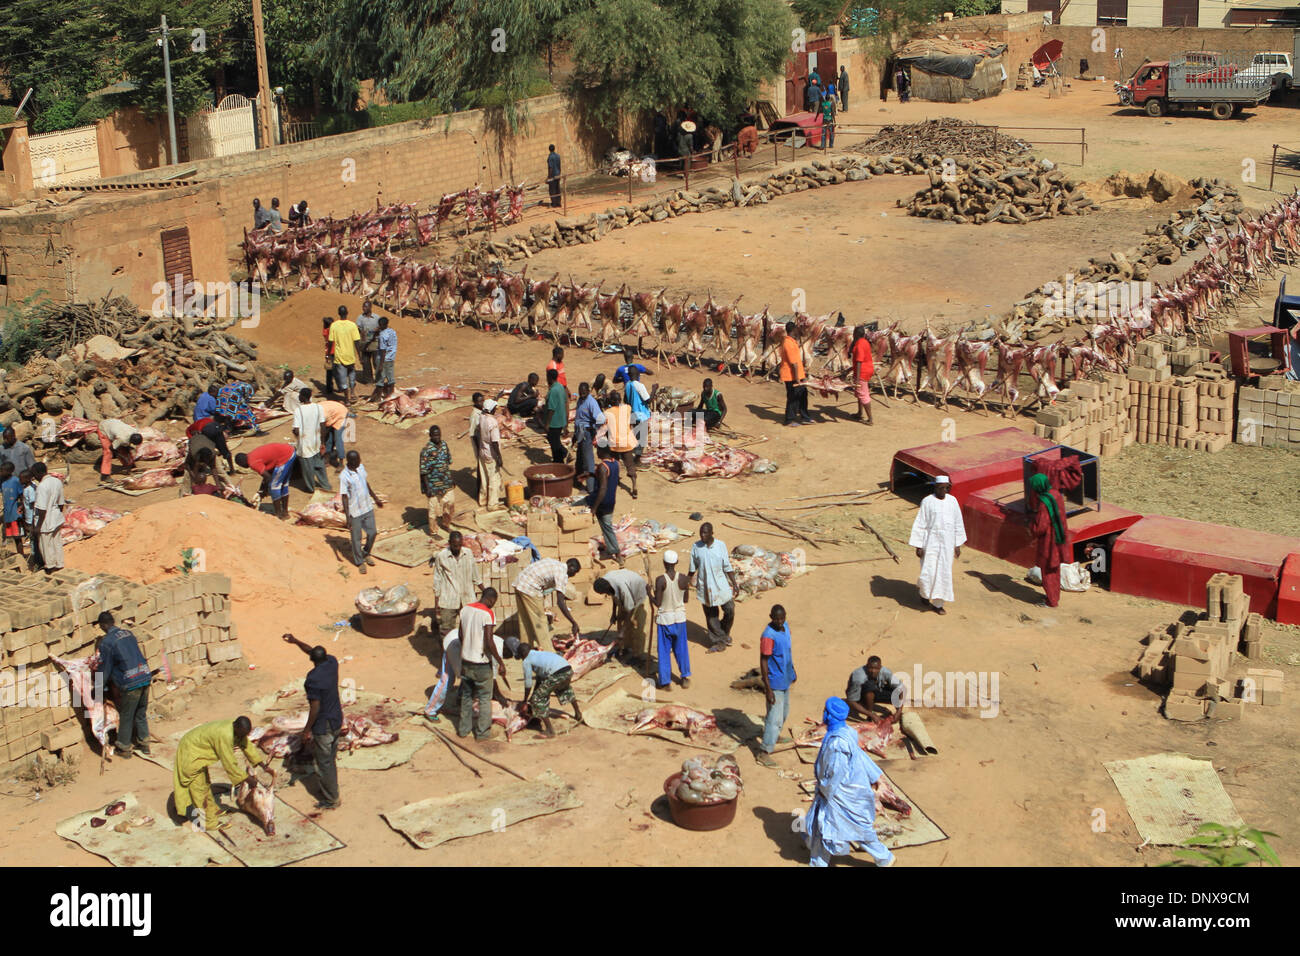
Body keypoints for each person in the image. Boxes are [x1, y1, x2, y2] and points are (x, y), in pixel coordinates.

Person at [803, 697, 895, 868]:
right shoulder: (846, 732)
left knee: (854, 829)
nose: (823, 713)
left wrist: (825, 790)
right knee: (824, 827)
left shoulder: (838, 743)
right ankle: (818, 862)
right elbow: (860, 757)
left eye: (826, 711)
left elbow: (836, 773)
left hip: (842, 793)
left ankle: (884, 858)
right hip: (843, 790)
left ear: (829, 716)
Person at [172, 717, 270, 832]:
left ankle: (212, 810)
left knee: (205, 784)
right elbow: (229, 764)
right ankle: (208, 823)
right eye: (241, 734)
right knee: (199, 790)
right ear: (236, 727)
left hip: (196, 747)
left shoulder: (235, 728)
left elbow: (245, 744)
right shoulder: (225, 736)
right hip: (191, 752)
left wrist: (261, 764)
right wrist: (248, 779)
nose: (241, 737)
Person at [282, 633, 342, 810]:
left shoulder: (313, 679)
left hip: (324, 725)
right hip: (337, 719)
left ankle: (332, 799)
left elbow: (315, 707)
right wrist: (296, 641)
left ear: (313, 660)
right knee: (330, 757)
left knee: (324, 763)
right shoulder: (332, 663)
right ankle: (332, 788)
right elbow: (311, 651)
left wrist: (306, 730)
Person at [97, 611, 152, 758]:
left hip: (130, 681)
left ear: (102, 625)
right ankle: (145, 743)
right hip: (145, 674)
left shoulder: (107, 643)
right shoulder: (128, 633)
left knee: (127, 715)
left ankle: (124, 747)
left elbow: (105, 667)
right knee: (140, 712)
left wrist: (99, 687)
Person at [908, 476, 966, 614]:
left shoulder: (952, 501)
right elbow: (920, 523)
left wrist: (957, 545)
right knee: (928, 571)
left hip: (947, 543)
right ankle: (924, 595)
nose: (943, 490)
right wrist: (918, 545)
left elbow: (958, 522)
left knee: (944, 573)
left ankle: (938, 604)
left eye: (946, 487)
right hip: (930, 542)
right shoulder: (927, 501)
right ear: (935, 487)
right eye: (940, 487)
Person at [425, 625, 508, 721]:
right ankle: (430, 710)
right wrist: (500, 697)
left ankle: (461, 697)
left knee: (469, 673)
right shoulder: (495, 651)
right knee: (447, 679)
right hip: (453, 645)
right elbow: (491, 679)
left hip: (464, 648)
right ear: (507, 650)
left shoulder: (500, 642)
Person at [458, 587, 508, 740]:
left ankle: (463, 730)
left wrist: (467, 649)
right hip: (481, 664)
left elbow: (461, 635)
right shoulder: (487, 613)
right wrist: (500, 662)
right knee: (485, 698)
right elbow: (489, 640)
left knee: (467, 696)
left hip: (466, 661)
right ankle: (482, 733)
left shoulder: (465, 609)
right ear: (492, 599)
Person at [514, 640, 581, 737]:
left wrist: (526, 700)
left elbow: (528, 684)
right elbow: (540, 681)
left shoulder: (526, 661)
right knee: (564, 689)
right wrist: (534, 694)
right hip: (568, 670)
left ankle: (550, 731)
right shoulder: (538, 654)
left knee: (537, 699)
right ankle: (578, 713)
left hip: (557, 674)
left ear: (522, 654)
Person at [513, 557, 582, 651]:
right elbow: (560, 602)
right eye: (575, 572)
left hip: (519, 582)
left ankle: (526, 649)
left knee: (525, 619)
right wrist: (573, 622)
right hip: (530, 587)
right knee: (541, 621)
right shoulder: (562, 573)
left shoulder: (554, 563)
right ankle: (549, 652)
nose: (573, 575)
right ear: (571, 567)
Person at [757, 604, 797, 766]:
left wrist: (792, 670)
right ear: (770, 617)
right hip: (774, 682)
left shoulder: (785, 627)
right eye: (777, 619)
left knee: (784, 712)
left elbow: (787, 651)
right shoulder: (768, 636)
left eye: (782, 618)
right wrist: (768, 688)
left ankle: (775, 735)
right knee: (774, 717)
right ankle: (764, 751)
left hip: (785, 677)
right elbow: (764, 661)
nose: (780, 621)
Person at [688, 522, 737, 653]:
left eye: (705, 533)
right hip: (706, 587)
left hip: (721, 586)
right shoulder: (696, 547)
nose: (702, 536)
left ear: (711, 533)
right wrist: (687, 581)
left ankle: (723, 633)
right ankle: (719, 640)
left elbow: (727, 566)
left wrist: (735, 583)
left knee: (730, 609)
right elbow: (692, 568)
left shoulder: (720, 546)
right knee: (711, 616)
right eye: (701, 533)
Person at [593, 568, 652, 669]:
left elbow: (630, 610)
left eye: (604, 593)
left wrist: (622, 631)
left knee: (636, 626)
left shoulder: (622, 588)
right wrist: (614, 614)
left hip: (639, 595)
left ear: (606, 588)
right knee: (621, 621)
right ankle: (625, 648)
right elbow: (614, 596)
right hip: (627, 593)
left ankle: (637, 655)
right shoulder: (606, 580)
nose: (605, 595)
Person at [650, 550, 691, 690]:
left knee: (664, 651)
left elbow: (658, 603)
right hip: (680, 618)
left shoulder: (660, 580)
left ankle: (665, 682)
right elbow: (685, 599)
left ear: (664, 563)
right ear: (676, 562)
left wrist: (648, 593)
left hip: (665, 620)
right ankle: (685, 677)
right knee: (681, 649)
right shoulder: (684, 579)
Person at [430, 530, 481, 640]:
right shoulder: (441, 556)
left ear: (462, 543)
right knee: (446, 630)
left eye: (459, 545)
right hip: (449, 599)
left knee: (470, 628)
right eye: (454, 545)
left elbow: (475, 575)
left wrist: (485, 589)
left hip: (468, 598)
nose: (457, 548)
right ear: (449, 543)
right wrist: (437, 603)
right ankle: (445, 654)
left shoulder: (468, 553)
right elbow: (437, 579)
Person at [1029, 472, 1070, 609]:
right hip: (1060, 538)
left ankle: (1051, 601)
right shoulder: (1056, 494)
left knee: (1048, 571)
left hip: (1049, 543)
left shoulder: (1043, 504)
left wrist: (1031, 525)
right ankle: (1054, 596)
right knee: (1055, 569)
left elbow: (1040, 527)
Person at [340, 450, 383, 574]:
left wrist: (375, 498)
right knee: (356, 538)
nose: (360, 461)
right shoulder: (344, 476)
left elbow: (366, 483)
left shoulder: (361, 467)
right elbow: (344, 496)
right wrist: (348, 517)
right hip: (355, 511)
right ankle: (359, 561)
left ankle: (366, 552)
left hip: (367, 507)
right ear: (351, 461)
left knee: (373, 532)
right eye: (358, 459)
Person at [235, 442, 297, 520]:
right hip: (290, 451)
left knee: (274, 486)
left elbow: (268, 477)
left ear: (242, 463)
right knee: (284, 484)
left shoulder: (252, 463)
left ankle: (279, 514)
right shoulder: (252, 455)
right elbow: (267, 474)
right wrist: (262, 489)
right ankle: (285, 512)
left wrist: (264, 491)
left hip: (284, 457)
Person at [586, 441, 623, 567]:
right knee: (607, 528)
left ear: (602, 452)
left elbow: (602, 489)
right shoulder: (616, 464)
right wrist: (591, 475)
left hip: (599, 501)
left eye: (598, 450)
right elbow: (608, 479)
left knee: (576, 507)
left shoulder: (602, 467)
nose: (596, 452)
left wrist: (594, 509)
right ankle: (617, 554)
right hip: (610, 502)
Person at [292, 389, 330, 492]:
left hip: (305, 444)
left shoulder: (298, 410)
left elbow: (296, 429)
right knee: (319, 465)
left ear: (303, 397)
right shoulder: (318, 407)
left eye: (300, 395)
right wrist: (322, 442)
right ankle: (326, 485)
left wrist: (295, 434)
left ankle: (310, 487)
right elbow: (323, 426)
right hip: (316, 442)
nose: (299, 397)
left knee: (307, 468)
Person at [420, 424, 454, 538]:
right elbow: (423, 471)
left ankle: (445, 523)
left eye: (438, 434)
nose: (437, 437)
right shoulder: (426, 450)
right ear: (430, 436)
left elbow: (448, 463)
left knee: (450, 504)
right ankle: (433, 531)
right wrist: (427, 488)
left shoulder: (444, 445)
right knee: (433, 510)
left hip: (446, 482)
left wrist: (451, 479)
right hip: (432, 484)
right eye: (434, 435)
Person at [846, 656, 903, 722]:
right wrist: (872, 715)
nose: (873, 671)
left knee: (897, 691)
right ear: (866, 666)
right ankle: (869, 715)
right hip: (860, 695)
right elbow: (851, 701)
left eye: (876, 669)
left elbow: (901, 688)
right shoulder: (858, 677)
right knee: (869, 687)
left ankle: (896, 715)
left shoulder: (886, 672)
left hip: (876, 691)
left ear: (880, 667)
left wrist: (899, 712)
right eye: (870, 668)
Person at [604, 392, 639, 499]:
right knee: (630, 465)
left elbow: (605, 428)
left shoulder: (607, 412)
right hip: (627, 442)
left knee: (614, 462)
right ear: (620, 400)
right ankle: (634, 486)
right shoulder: (627, 408)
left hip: (614, 443)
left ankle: (612, 482)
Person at [32, 462, 65, 572]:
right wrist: (58, 514)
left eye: (34, 474)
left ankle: (50, 568)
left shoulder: (42, 486)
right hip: (56, 517)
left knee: (46, 546)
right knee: (57, 543)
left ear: (37, 473)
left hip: (45, 521)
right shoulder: (57, 481)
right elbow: (61, 503)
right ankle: (59, 565)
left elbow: (42, 509)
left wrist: (38, 526)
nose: (34, 477)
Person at [476, 399, 507, 510]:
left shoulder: (482, 417)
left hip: (482, 452)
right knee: (494, 480)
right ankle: (492, 504)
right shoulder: (492, 422)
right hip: (491, 454)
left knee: (484, 478)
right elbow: (494, 442)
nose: (496, 409)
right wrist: (499, 457)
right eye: (495, 408)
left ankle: (483, 500)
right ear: (491, 409)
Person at [780, 321, 812, 426]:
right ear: (793, 330)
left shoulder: (792, 342)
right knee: (793, 398)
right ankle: (789, 420)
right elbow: (793, 363)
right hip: (791, 376)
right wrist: (798, 379)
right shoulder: (788, 343)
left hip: (798, 374)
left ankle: (805, 417)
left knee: (803, 395)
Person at [572, 381, 605, 479]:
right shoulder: (580, 400)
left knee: (588, 459)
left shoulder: (591, 402)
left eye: (584, 393)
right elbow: (578, 418)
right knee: (580, 457)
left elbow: (601, 419)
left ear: (588, 391)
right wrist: (575, 435)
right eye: (580, 392)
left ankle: (590, 486)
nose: (582, 395)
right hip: (579, 432)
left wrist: (593, 427)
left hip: (586, 433)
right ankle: (577, 478)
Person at [329, 305, 362, 404]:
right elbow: (357, 342)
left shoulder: (334, 325)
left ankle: (346, 399)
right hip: (350, 356)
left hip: (339, 357)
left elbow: (331, 341)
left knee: (342, 378)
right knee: (352, 375)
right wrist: (360, 356)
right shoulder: (352, 325)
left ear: (338, 313)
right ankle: (352, 392)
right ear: (347, 313)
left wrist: (328, 354)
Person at [850, 325, 875, 425]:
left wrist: (857, 378)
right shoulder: (864, 342)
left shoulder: (860, 344)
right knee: (859, 393)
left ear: (855, 334)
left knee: (863, 394)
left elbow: (859, 361)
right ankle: (860, 413)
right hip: (867, 369)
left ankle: (870, 419)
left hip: (862, 372)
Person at [543, 367, 569, 464]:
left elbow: (551, 408)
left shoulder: (553, 390)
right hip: (561, 420)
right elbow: (566, 402)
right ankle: (563, 452)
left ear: (549, 378)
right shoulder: (560, 387)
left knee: (554, 443)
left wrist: (547, 423)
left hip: (554, 421)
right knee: (554, 439)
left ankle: (558, 461)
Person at [1, 462, 24, 562]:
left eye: (2, 470)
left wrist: (22, 507)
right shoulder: (2, 481)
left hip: (14, 513)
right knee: (11, 537)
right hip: (7, 513)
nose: (0, 472)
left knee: (17, 536)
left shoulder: (15, 481)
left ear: (9, 471)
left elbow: (22, 495)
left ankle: (22, 557)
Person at [373, 316, 397, 403]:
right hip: (391, 357)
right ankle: (391, 396)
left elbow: (383, 350)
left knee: (380, 379)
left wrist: (381, 364)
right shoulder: (392, 332)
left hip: (383, 358)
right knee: (391, 378)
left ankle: (378, 398)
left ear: (381, 325)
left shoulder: (382, 335)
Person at [356, 300, 381, 385]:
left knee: (376, 361)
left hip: (375, 342)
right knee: (366, 362)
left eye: (366, 306)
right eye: (363, 306)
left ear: (370, 307)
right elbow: (359, 329)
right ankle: (368, 380)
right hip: (364, 343)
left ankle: (379, 379)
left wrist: (377, 331)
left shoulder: (377, 317)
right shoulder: (360, 318)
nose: (364, 308)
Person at [21, 469, 41, 570]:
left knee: (33, 539)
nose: (20, 480)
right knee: (33, 539)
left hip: (31, 518)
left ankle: (35, 561)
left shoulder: (30, 489)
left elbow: (33, 504)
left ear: (27, 479)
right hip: (29, 517)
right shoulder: (28, 487)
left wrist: (32, 519)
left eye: (21, 478)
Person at [468, 392, 485, 497]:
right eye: (479, 401)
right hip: (478, 444)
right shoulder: (475, 415)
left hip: (481, 443)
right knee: (480, 467)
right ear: (474, 402)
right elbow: (473, 434)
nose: (481, 403)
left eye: (482, 400)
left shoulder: (480, 411)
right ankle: (479, 491)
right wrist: (479, 449)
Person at [322, 315, 337, 398]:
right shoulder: (334, 330)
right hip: (336, 351)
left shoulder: (325, 331)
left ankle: (329, 388)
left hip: (329, 351)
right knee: (337, 369)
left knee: (329, 371)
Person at [547, 144, 562, 208]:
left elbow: (550, 168)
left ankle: (554, 203)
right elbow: (559, 165)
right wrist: (559, 173)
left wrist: (549, 177)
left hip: (553, 175)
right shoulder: (558, 156)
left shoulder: (550, 157)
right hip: (558, 174)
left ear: (549, 149)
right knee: (557, 188)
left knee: (552, 189)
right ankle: (559, 202)